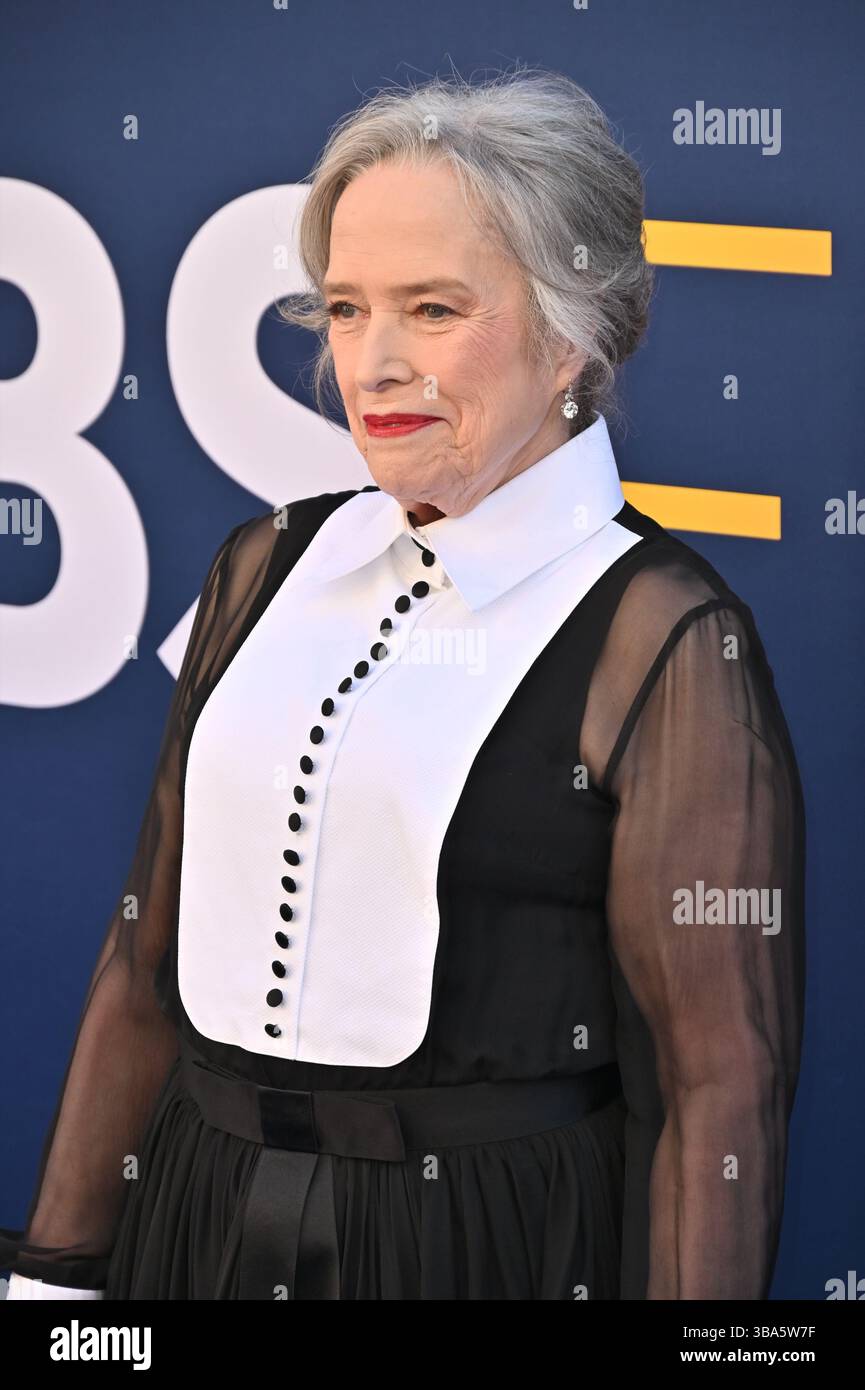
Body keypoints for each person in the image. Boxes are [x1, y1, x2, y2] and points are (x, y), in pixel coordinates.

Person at [2, 67, 805, 1301]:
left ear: (569, 333)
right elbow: (142, 962)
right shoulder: (261, 561)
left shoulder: (666, 635)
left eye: (433, 309)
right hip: (191, 1225)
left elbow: (715, 1090)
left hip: (482, 1252)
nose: (371, 366)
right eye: (341, 308)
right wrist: (55, 1286)